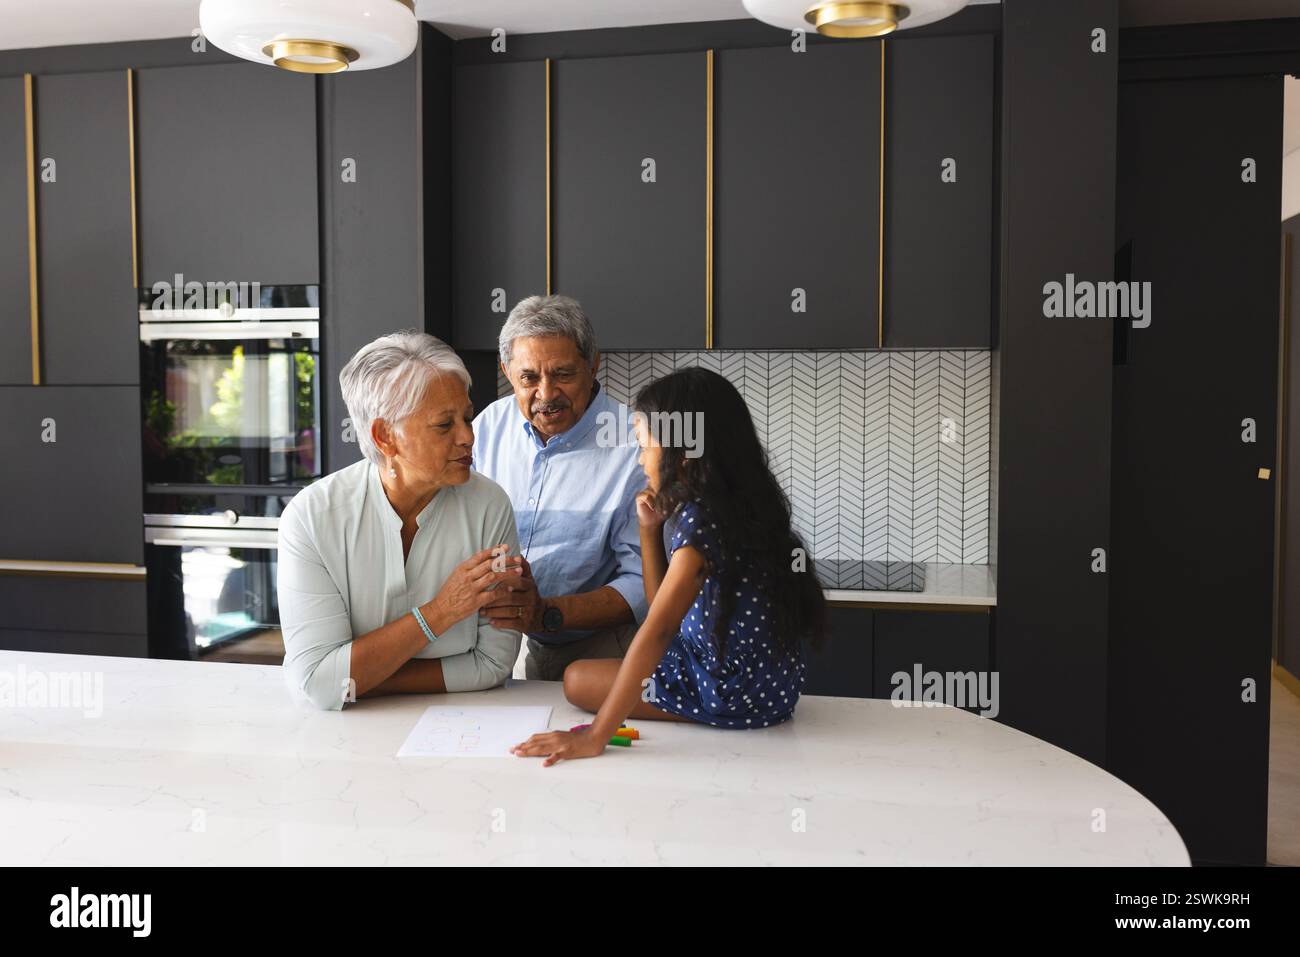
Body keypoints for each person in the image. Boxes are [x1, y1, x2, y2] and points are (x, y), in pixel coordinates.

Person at [513, 367, 827, 764]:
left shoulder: (701, 521)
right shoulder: (735, 506)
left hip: (728, 690)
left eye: (646, 446)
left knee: (576, 680)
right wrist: (649, 531)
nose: (641, 459)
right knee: (592, 676)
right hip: (773, 691)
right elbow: (663, 609)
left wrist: (596, 736)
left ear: (683, 451)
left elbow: (658, 630)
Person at [278, 331, 524, 711]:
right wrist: (440, 612)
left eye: (467, 417)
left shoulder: (489, 506)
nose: (468, 437)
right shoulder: (311, 519)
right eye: (445, 425)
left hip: (459, 725)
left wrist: (361, 676)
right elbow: (321, 683)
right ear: (385, 436)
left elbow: (492, 665)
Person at [472, 294, 647, 680]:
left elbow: (644, 583)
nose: (546, 394)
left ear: (593, 364)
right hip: (491, 646)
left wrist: (546, 612)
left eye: (563, 374)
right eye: (529, 378)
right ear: (506, 369)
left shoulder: (636, 446)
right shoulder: (485, 429)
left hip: (599, 650)